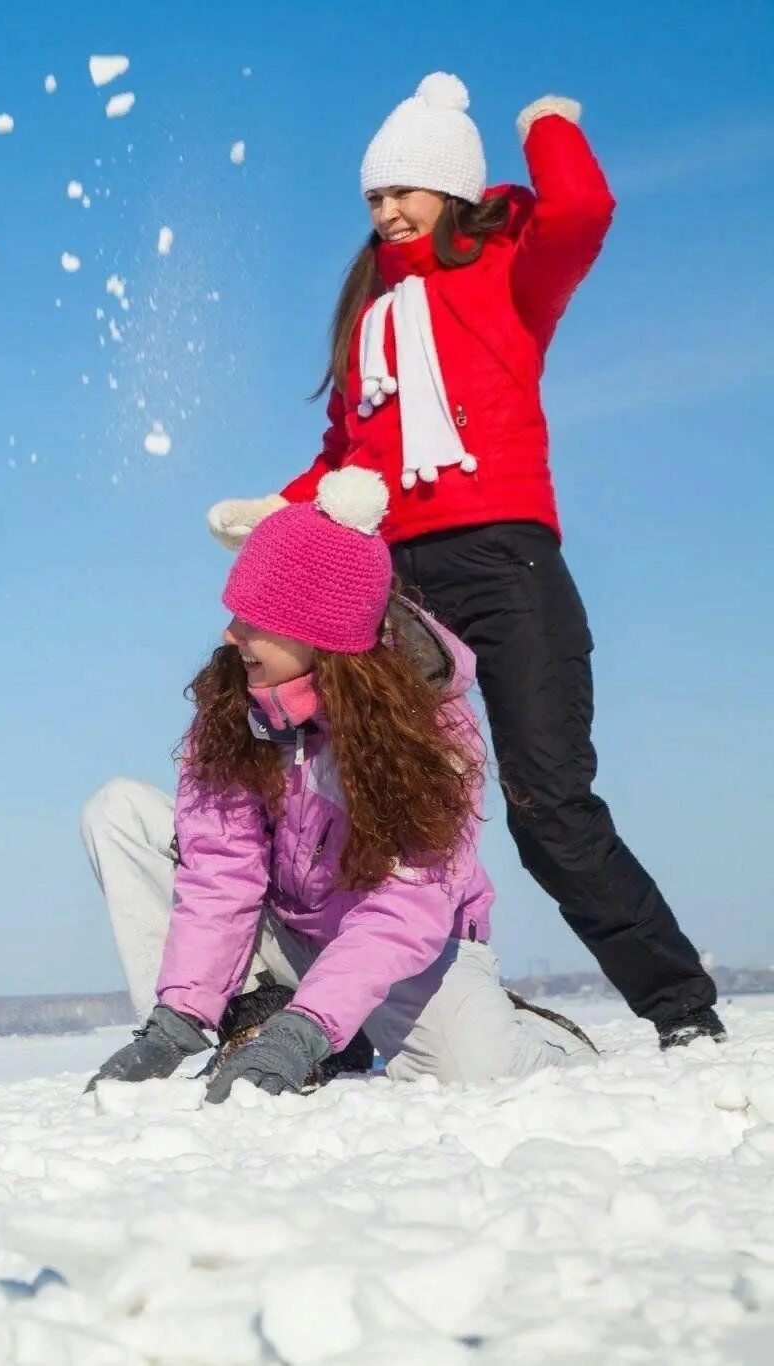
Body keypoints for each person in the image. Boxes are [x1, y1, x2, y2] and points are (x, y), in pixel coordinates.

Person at [202, 73, 721, 1048]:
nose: (387, 211)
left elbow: (582, 207)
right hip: (393, 584)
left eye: (403, 190)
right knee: (356, 789)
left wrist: (546, 127)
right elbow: (345, 454)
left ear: (449, 190)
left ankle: (678, 1006)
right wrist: (277, 504)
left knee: (546, 804)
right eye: (372, 196)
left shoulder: (509, 272)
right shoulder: (367, 320)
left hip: (506, 567)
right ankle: (344, 995)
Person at [85, 470, 593, 1099]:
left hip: (406, 949)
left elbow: (408, 907)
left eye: (253, 618)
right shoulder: (237, 704)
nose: (229, 634)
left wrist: (308, 1028)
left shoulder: (430, 728)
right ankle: (248, 1017)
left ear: (319, 634)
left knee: (476, 1072)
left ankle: (533, 1032)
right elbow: (221, 868)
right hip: (289, 931)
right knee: (120, 811)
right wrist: (178, 1021)